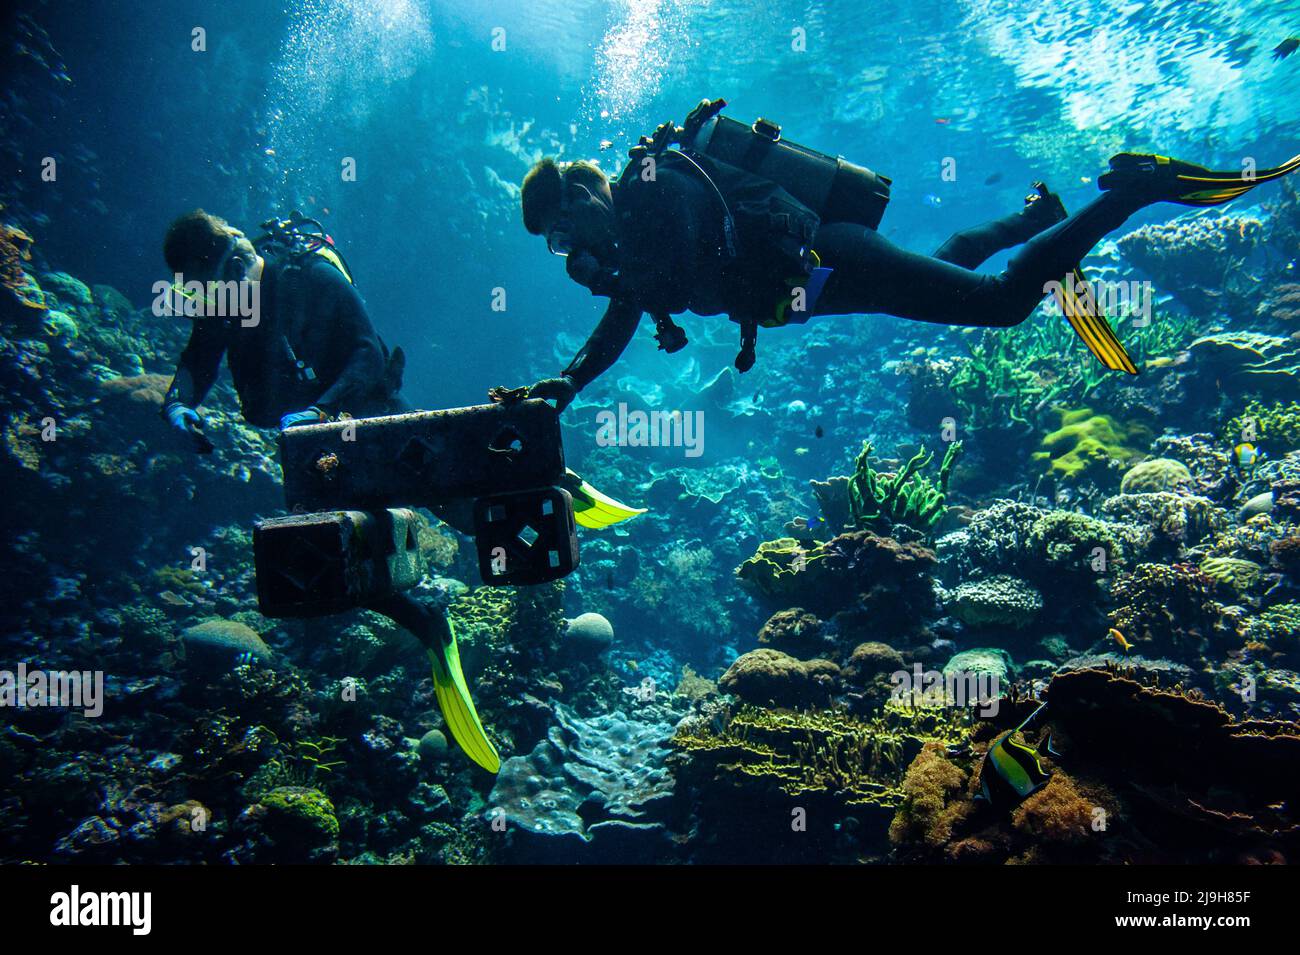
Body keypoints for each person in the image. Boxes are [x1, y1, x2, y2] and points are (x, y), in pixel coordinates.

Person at [518, 100, 1299, 409]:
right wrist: (572, 379)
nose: (567, 250)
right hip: (801, 288)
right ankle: (1037, 219)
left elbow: (674, 272)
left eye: (561, 232)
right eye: (557, 246)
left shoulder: (647, 185)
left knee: (997, 304)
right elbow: (645, 298)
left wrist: (619, 282)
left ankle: (1135, 189)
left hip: (820, 254)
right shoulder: (631, 228)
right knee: (936, 274)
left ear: (582, 199)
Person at [159, 209, 405, 451]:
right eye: (190, 294)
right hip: (311, 445)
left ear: (236, 270)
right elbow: (199, 359)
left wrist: (322, 411)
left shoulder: (313, 277)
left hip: (377, 424)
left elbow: (368, 353)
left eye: (203, 292)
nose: (203, 307)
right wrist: (178, 403)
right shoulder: (225, 303)